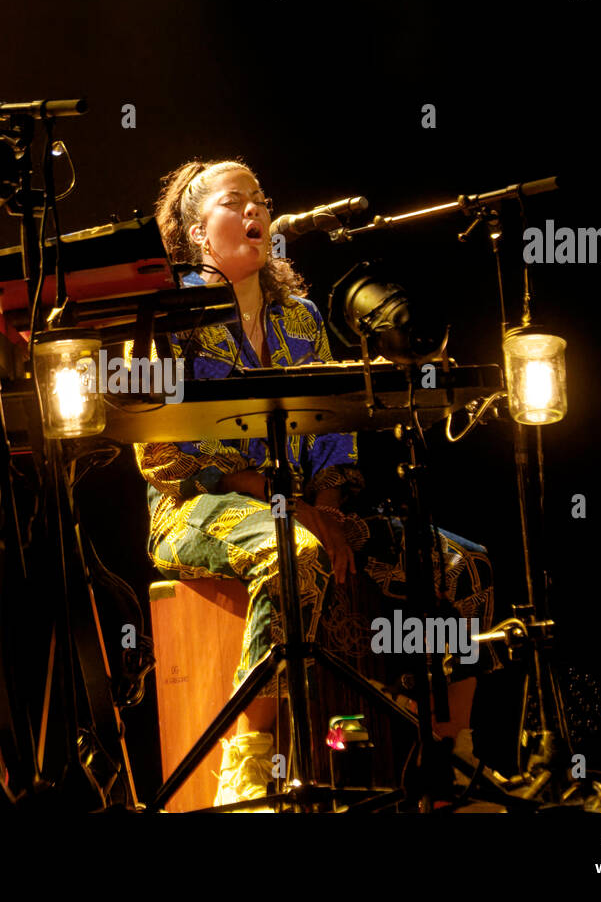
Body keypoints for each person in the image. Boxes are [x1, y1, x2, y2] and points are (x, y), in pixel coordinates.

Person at [137, 159, 496, 808]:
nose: (254, 210)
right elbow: (164, 455)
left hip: (304, 509)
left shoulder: (300, 317)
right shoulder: (170, 318)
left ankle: (449, 761)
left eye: (260, 198)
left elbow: (333, 433)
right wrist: (296, 511)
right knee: (293, 557)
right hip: (194, 510)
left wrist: (326, 506)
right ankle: (243, 776)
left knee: (461, 568)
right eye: (233, 199)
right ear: (196, 232)